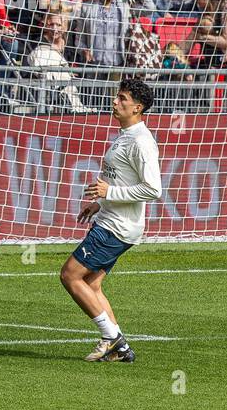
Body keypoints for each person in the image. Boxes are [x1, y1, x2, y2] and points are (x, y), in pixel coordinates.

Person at [60, 78, 160, 363]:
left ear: (137, 107)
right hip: (110, 219)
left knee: (69, 275)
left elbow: (153, 189)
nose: (115, 102)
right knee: (91, 284)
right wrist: (100, 202)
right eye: (117, 96)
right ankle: (121, 350)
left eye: (122, 98)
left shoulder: (141, 142)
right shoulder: (125, 135)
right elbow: (120, 179)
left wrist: (109, 193)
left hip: (117, 227)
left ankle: (111, 336)